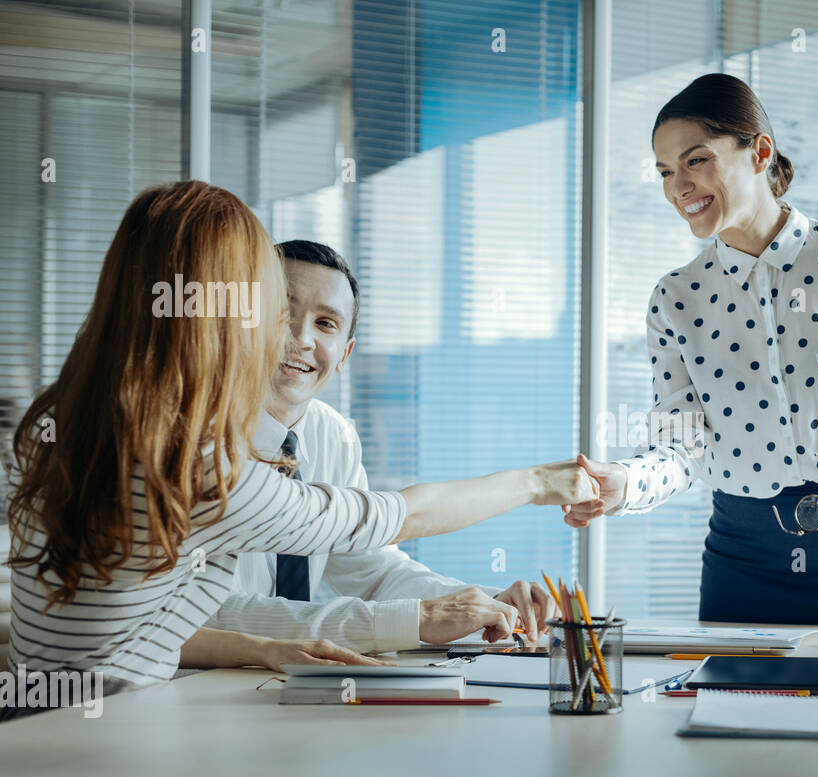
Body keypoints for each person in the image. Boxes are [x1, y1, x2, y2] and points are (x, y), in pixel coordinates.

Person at [4, 181, 598, 709]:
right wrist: (534, 483)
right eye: (269, 303)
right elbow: (393, 517)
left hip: (55, 720)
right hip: (88, 735)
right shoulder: (197, 462)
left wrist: (263, 648)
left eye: (324, 323)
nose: (289, 333)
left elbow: (138, 627)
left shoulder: (71, 420)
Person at [566, 73, 818, 625]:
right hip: (744, 558)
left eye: (696, 160)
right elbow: (681, 447)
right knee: (730, 687)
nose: (678, 187)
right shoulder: (675, 299)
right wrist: (626, 485)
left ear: (760, 152)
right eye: (665, 171)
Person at [192, 240, 556, 671]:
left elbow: (373, 569)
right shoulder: (189, 439)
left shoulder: (333, 435)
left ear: (344, 354)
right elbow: (203, 613)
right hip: (187, 687)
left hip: (286, 683)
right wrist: (410, 620)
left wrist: (482, 605)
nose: (301, 339)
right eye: (282, 314)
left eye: (325, 323)